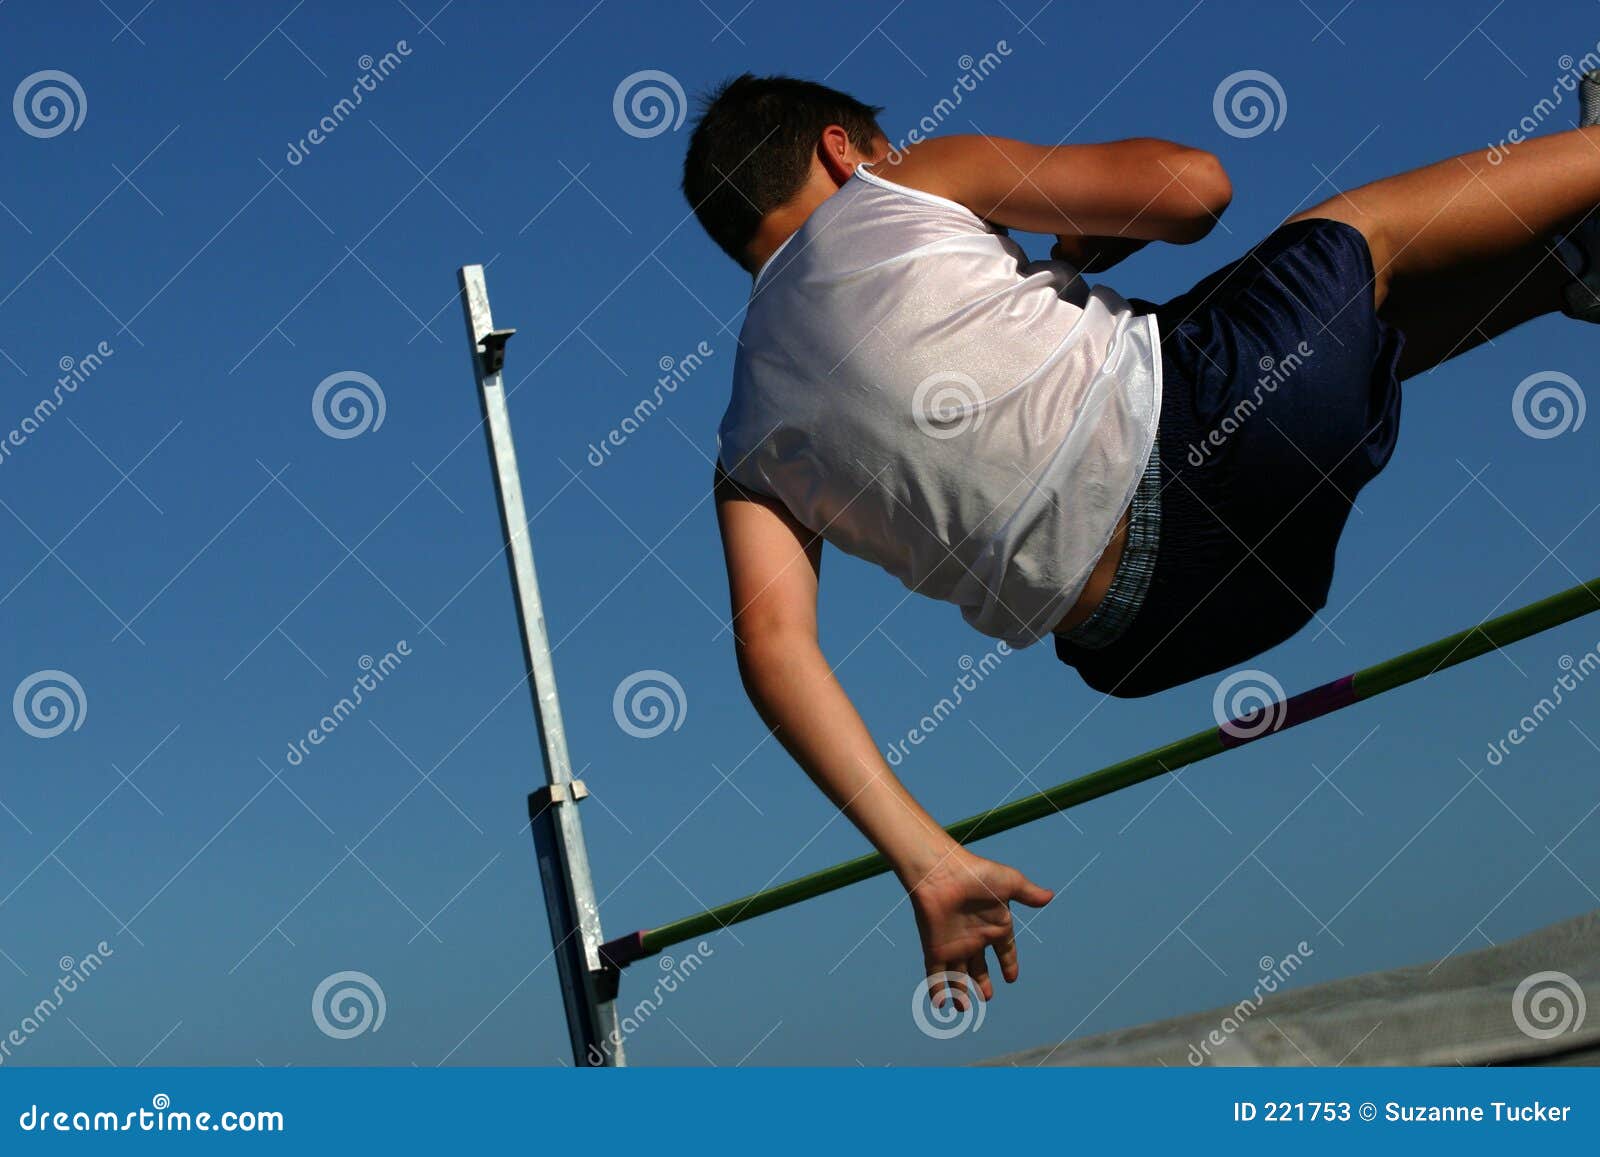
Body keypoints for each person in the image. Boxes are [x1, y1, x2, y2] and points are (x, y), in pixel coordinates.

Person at [681, 73, 1600, 1008]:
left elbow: (775, 649)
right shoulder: (905, 182)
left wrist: (927, 861)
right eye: (882, 147)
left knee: (1308, 319)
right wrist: (1083, 232)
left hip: (1152, 638)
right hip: (1212, 444)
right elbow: (1196, 190)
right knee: (1358, 237)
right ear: (845, 151)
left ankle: (1574, 266)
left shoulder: (744, 437)